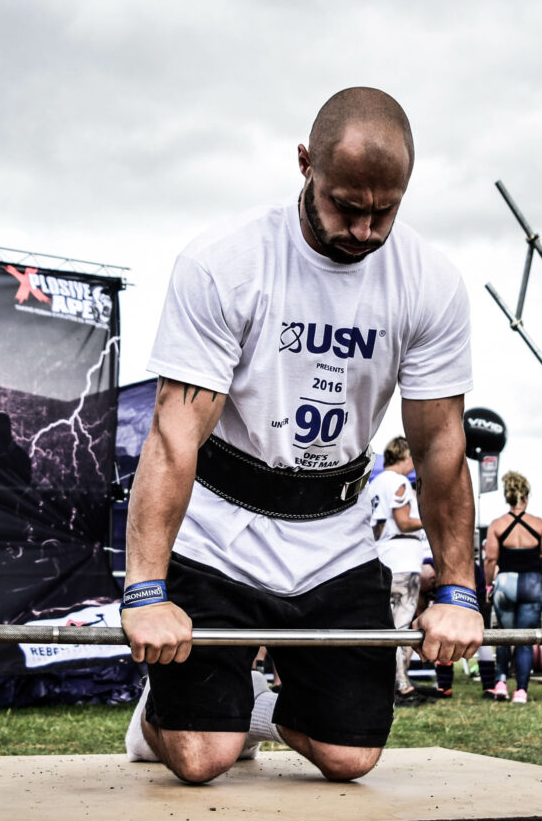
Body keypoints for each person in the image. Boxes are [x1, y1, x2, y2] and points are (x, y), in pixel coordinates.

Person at [120, 87, 480, 785]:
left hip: (333, 528)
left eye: (386, 210)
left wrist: (459, 588)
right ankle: (166, 716)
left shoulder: (430, 283)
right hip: (220, 524)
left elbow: (440, 445)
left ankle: (246, 708)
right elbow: (172, 436)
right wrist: (144, 590)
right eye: (347, 205)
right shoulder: (226, 263)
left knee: (351, 757)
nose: (367, 230)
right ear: (304, 165)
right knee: (201, 757)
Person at [481, 471, 542, 703]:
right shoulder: (540, 524)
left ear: (507, 496)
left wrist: (487, 585)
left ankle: (501, 683)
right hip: (532, 582)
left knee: (505, 636)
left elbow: (490, 560)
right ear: (526, 496)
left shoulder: (497, 524)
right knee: (525, 639)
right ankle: (521, 691)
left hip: (506, 583)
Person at [363, 436, 430, 701]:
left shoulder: (375, 484)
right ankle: (401, 686)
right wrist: (427, 519)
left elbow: (378, 526)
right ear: (405, 456)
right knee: (401, 628)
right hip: (403, 559)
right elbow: (403, 522)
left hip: (383, 557)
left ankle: (388, 683)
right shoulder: (400, 483)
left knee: (384, 627)